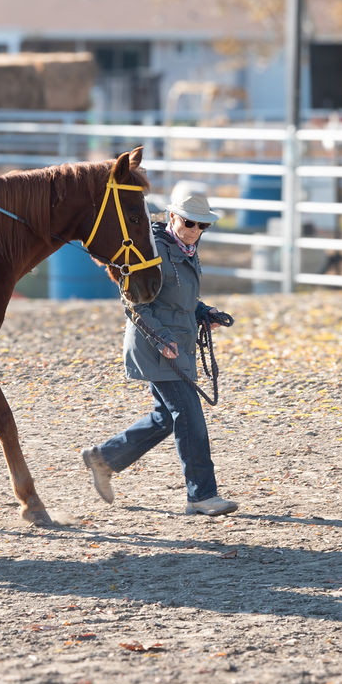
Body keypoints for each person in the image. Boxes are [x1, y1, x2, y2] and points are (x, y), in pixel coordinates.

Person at [80, 187, 238, 517]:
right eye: (189, 222)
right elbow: (135, 303)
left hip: (176, 345)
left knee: (166, 417)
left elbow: (179, 300)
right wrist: (163, 339)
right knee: (190, 418)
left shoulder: (185, 250)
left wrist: (204, 312)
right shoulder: (151, 251)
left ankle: (104, 459)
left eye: (202, 225)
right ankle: (201, 494)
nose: (195, 230)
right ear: (172, 217)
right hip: (157, 347)